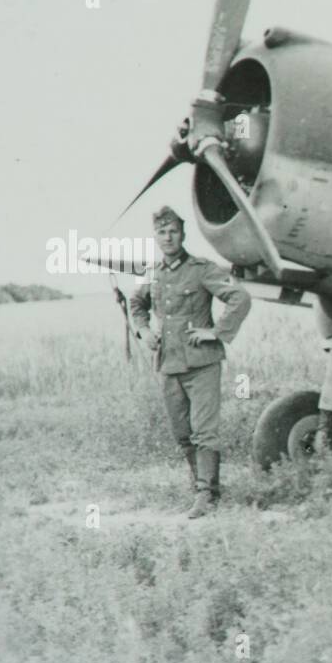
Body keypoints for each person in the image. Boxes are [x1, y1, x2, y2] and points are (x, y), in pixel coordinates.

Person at [130, 206, 251, 518]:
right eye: (161, 232)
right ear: (155, 237)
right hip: (169, 364)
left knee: (204, 431)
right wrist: (143, 331)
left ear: (182, 234)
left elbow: (240, 297)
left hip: (202, 364)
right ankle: (205, 486)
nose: (168, 237)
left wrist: (216, 332)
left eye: (173, 231)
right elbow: (136, 302)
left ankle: (205, 494)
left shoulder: (202, 269)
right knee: (182, 432)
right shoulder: (153, 273)